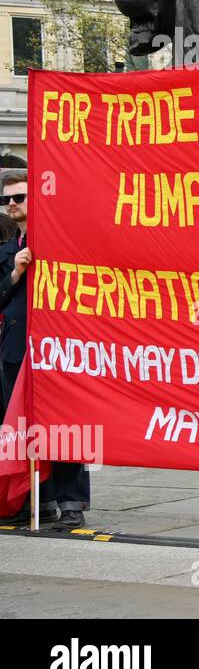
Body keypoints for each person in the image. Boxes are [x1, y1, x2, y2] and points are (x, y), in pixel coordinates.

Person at [0, 171, 90, 529]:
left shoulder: (61, 239)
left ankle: (72, 502)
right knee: (20, 429)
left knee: (66, 426)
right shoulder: (7, 250)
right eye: (6, 199)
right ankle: (38, 500)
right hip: (14, 349)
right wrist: (15, 274)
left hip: (58, 347)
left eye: (18, 197)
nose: (11, 204)